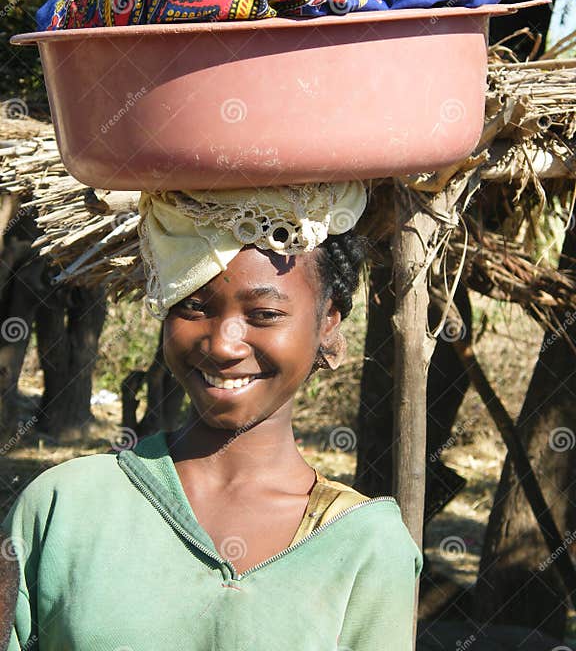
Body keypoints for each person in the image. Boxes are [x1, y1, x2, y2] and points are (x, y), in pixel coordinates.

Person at [2, 181, 423, 650]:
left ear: (328, 323)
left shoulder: (365, 546)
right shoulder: (64, 508)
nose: (223, 343)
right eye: (192, 306)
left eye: (264, 313)